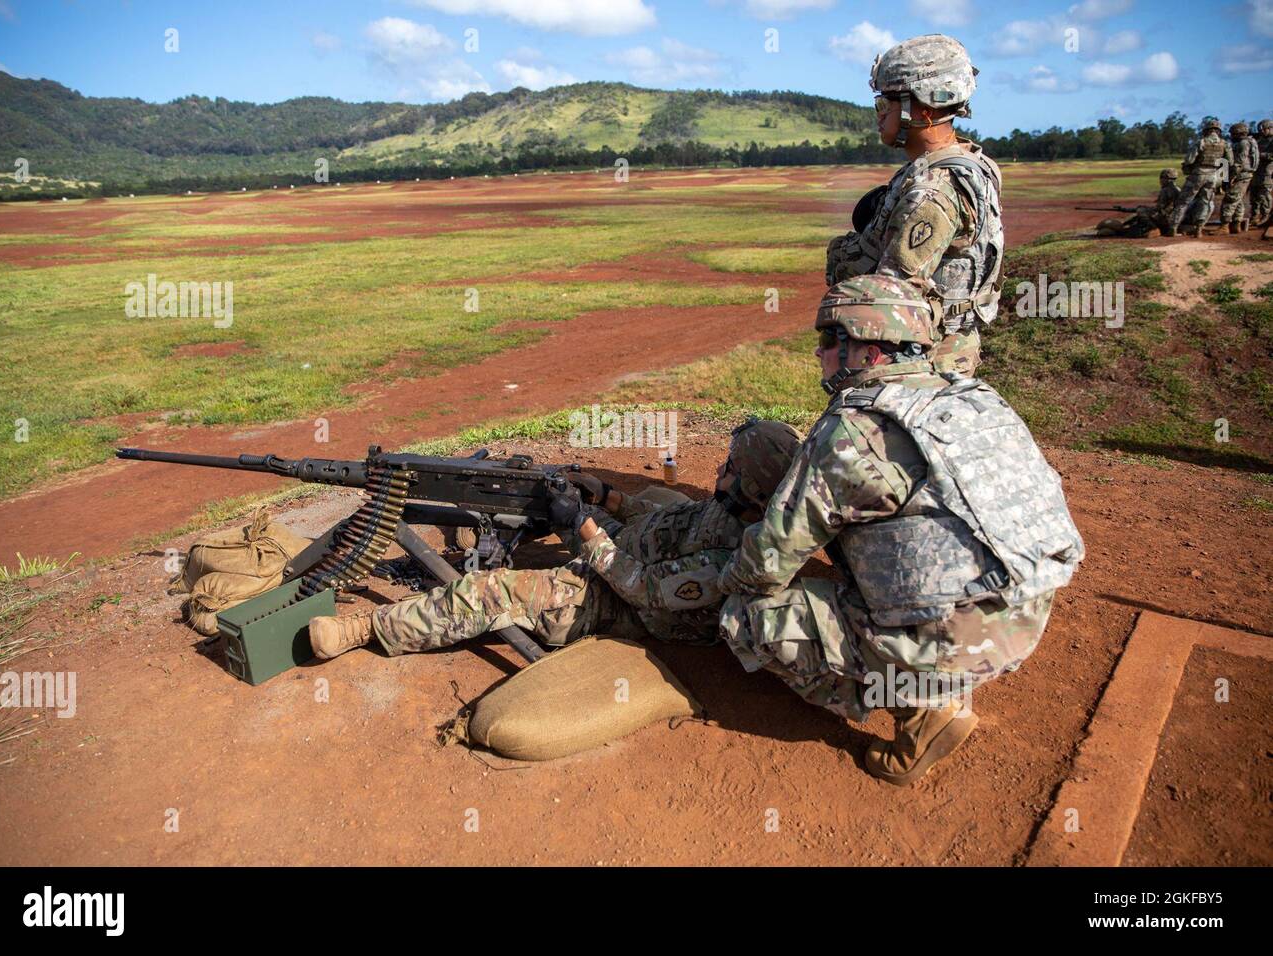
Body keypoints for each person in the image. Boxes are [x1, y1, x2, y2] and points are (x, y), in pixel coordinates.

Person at [715, 275, 1085, 786]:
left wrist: (724, 579)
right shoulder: (971, 397)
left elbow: (767, 562)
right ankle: (924, 666)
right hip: (1027, 610)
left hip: (958, 645)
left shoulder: (854, 430)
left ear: (862, 348)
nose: (820, 354)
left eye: (827, 341)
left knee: (747, 618)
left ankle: (923, 711)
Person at [305, 420, 802, 659]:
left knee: (494, 591)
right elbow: (675, 518)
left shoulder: (739, 557)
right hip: (630, 547)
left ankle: (367, 630)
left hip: (618, 600)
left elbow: (643, 589)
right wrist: (605, 498)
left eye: (732, 467)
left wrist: (585, 530)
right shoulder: (732, 508)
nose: (720, 468)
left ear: (752, 486)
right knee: (550, 495)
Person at [825, 34, 1003, 377]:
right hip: (936, 356)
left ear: (921, 108)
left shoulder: (933, 188)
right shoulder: (967, 164)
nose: (878, 116)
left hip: (919, 365)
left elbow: (894, 298)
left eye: (884, 104)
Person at [1168, 117, 1232, 237]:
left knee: (1183, 201)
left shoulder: (1201, 142)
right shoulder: (1225, 144)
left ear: (1206, 130)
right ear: (1218, 131)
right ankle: (1199, 229)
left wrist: (1188, 167)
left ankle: (1173, 227)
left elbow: (1189, 160)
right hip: (1213, 175)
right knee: (1206, 202)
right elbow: (1229, 162)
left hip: (1198, 174)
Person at [1094, 169, 1181, 237]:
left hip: (1167, 218)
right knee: (1142, 210)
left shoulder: (1165, 191)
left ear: (1166, 179)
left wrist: (1137, 209)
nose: (1160, 180)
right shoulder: (1177, 189)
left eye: (1162, 178)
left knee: (1141, 211)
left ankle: (1153, 228)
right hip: (1176, 217)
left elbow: (1158, 208)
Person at [1219, 122, 1259, 233]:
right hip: (1245, 174)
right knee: (1238, 200)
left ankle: (1224, 226)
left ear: (1238, 134)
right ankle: (1236, 224)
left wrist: (1232, 176)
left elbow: (1240, 161)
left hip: (1241, 175)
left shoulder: (1243, 143)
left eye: (1232, 134)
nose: (1231, 136)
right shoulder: (1250, 142)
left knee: (1230, 199)